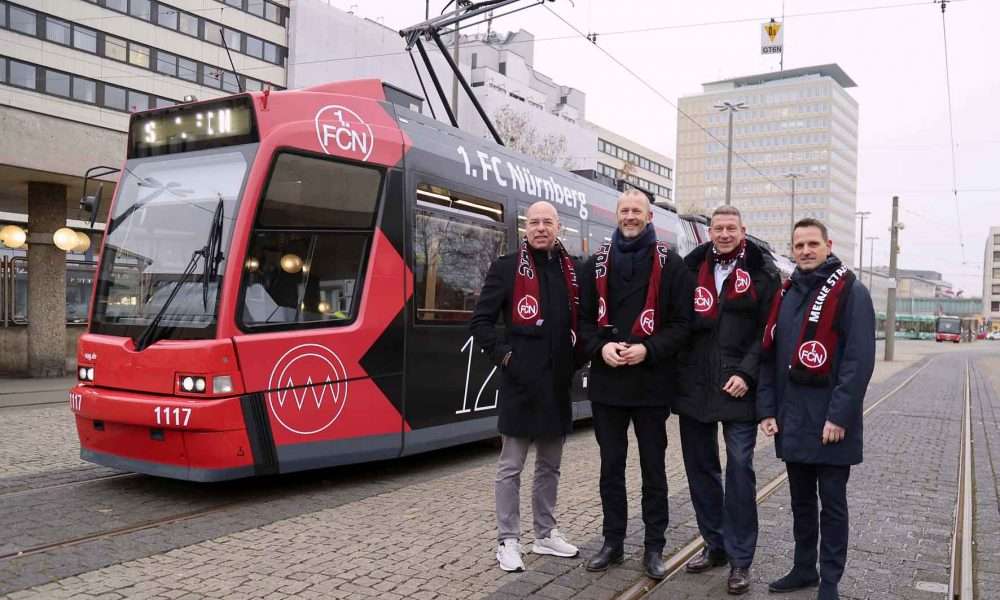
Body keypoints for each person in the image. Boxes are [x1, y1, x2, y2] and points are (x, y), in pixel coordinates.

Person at [757, 218, 875, 600]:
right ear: (792, 250)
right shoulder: (787, 291)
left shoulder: (850, 290)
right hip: (793, 419)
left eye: (812, 244)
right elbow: (770, 354)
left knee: (833, 505)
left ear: (828, 245)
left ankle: (830, 581)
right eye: (799, 245)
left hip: (830, 423)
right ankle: (804, 568)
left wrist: (839, 416)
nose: (805, 251)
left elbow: (858, 361)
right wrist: (767, 409)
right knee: (801, 502)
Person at [578, 189, 694, 580]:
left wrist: (649, 349)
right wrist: (601, 347)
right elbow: (582, 323)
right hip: (608, 384)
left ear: (649, 217)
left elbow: (683, 325)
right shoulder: (595, 263)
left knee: (653, 470)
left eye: (637, 211)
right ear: (617, 215)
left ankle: (654, 546)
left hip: (651, 385)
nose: (630, 216)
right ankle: (612, 543)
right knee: (610, 469)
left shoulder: (671, 264)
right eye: (624, 210)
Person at [470, 201, 581, 573]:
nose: (540, 228)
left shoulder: (571, 271)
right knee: (511, 467)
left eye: (547, 222)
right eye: (534, 222)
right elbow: (481, 322)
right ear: (525, 228)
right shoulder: (505, 268)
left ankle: (545, 534)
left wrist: (575, 360)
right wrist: (506, 358)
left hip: (557, 385)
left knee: (550, 466)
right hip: (519, 384)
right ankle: (508, 540)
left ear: (557, 227)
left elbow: (581, 324)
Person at [674, 206, 779, 595]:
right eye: (717, 228)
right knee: (700, 470)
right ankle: (714, 544)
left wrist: (747, 373)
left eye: (730, 228)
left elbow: (768, 330)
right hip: (695, 386)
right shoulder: (690, 268)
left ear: (742, 231)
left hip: (739, 388)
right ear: (709, 232)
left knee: (739, 470)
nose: (723, 234)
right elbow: (678, 323)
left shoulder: (762, 272)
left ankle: (740, 561)